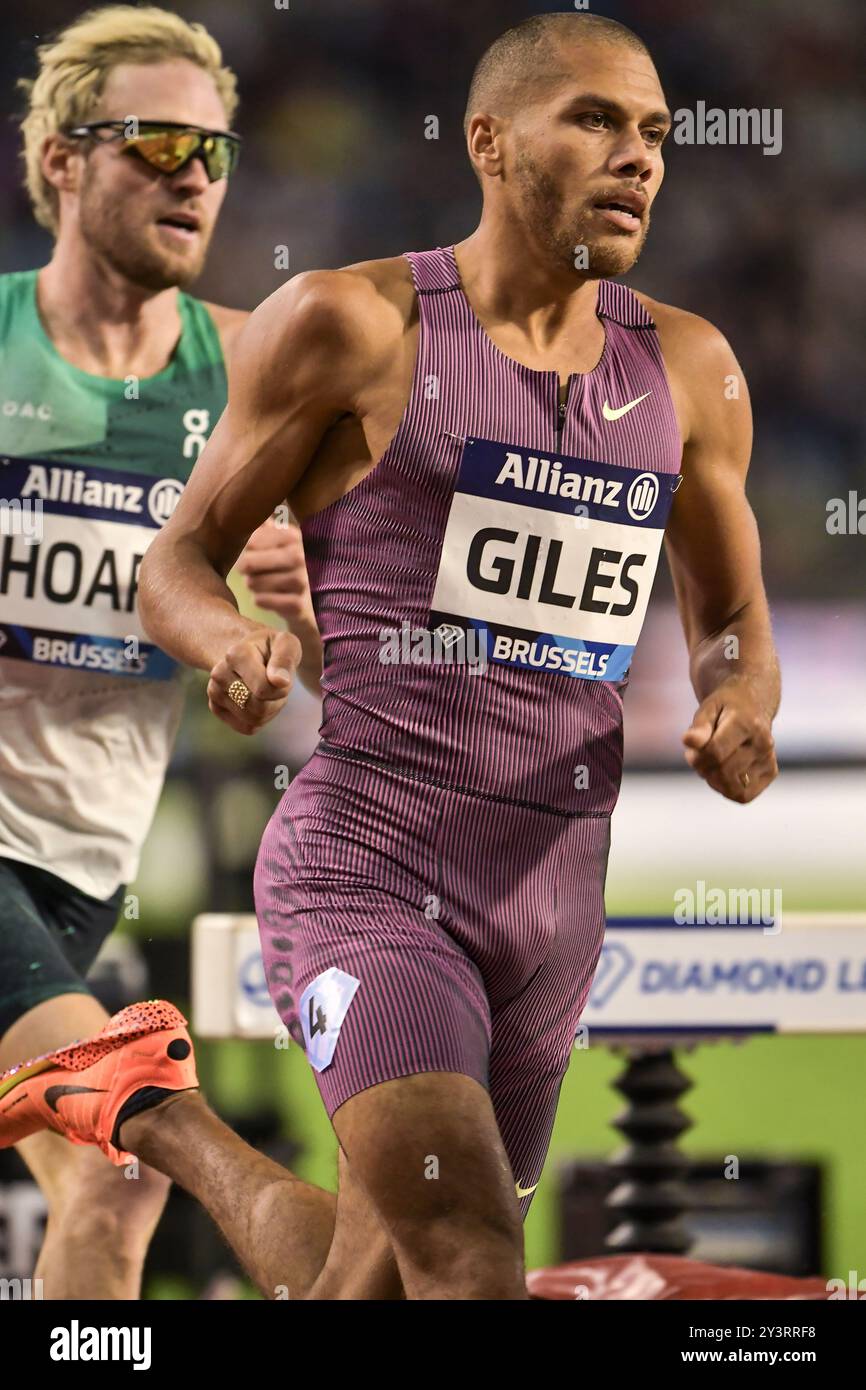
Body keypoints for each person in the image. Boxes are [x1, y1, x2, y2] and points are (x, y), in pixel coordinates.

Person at [9, 11, 781, 1302]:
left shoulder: (690, 368)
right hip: (370, 863)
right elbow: (177, 561)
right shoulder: (352, 324)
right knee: (466, 1255)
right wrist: (231, 644)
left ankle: (163, 1117)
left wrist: (735, 699)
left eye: (651, 131)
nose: (636, 155)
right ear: (486, 140)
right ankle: (167, 1125)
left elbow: (729, 617)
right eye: (592, 120)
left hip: (554, 898)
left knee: (372, 1278)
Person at [0, 4, 317, 1299]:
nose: (194, 173)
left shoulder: (248, 369)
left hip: (81, 857)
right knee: (132, 1099)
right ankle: (269, 1201)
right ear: (64, 159)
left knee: (111, 1183)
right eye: (155, 142)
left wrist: (274, 630)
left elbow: (278, 658)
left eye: (216, 150)